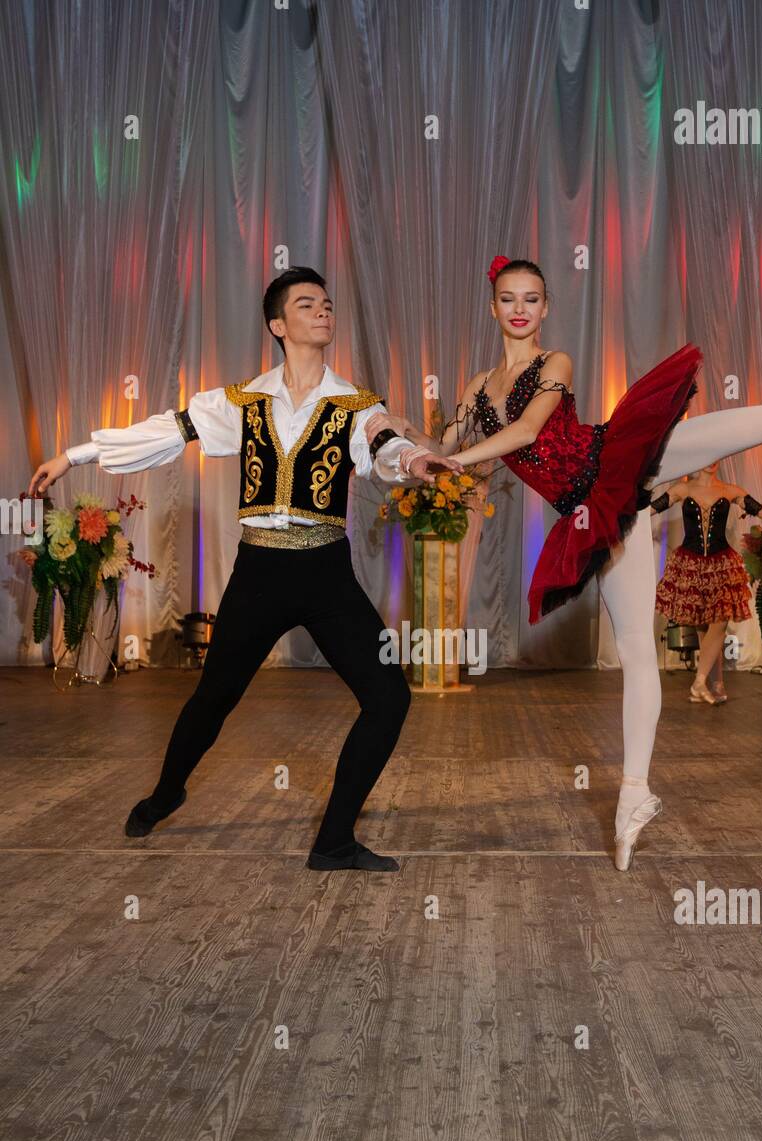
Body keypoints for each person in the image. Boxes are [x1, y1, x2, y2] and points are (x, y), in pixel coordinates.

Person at [373, 255, 762, 870]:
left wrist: (457, 461)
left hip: (622, 461)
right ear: (493, 308)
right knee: (635, 651)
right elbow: (443, 449)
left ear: (544, 309)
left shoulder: (555, 364)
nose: (520, 309)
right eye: (509, 299)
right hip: (595, 514)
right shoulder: (472, 389)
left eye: (532, 299)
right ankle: (634, 797)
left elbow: (524, 433)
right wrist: (401, 435)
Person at [28, 267, 456, 872]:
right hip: (259, 575)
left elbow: (386, 446)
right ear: (279, 325)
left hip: (327, 576)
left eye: (328, 304)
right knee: (214, 698)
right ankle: (166, 792)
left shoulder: (359, 404)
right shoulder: (240, 402)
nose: (324, 311)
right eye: (308, 304)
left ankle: (333, 840)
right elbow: (165, 432)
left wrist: (415, 460)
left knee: (388, 698)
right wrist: (75, 455)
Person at [652, 462, 762, 703]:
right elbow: (651, 509)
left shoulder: (730, 490)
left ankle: (698, 682)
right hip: (691, 564)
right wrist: (618, 516)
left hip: (720, 564)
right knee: (704, 628)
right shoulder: (683, 489)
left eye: (718, 457)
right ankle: (714, 684)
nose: (713, 462)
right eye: (709, 456)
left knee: (719, 623)